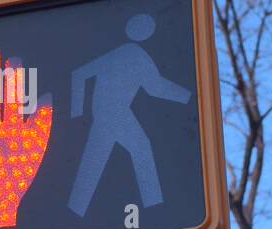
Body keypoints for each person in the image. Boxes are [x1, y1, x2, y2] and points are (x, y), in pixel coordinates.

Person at [68, 13, 192, 217]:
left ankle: (75, 210)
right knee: (139, 148)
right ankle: (155, 209)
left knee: (97, 159)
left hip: (111, 113)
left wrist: (187, 97)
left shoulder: (133, 54)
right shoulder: (129, 53)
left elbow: (155, 87)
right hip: (113, 113)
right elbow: (80, 74)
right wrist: (76, 113)